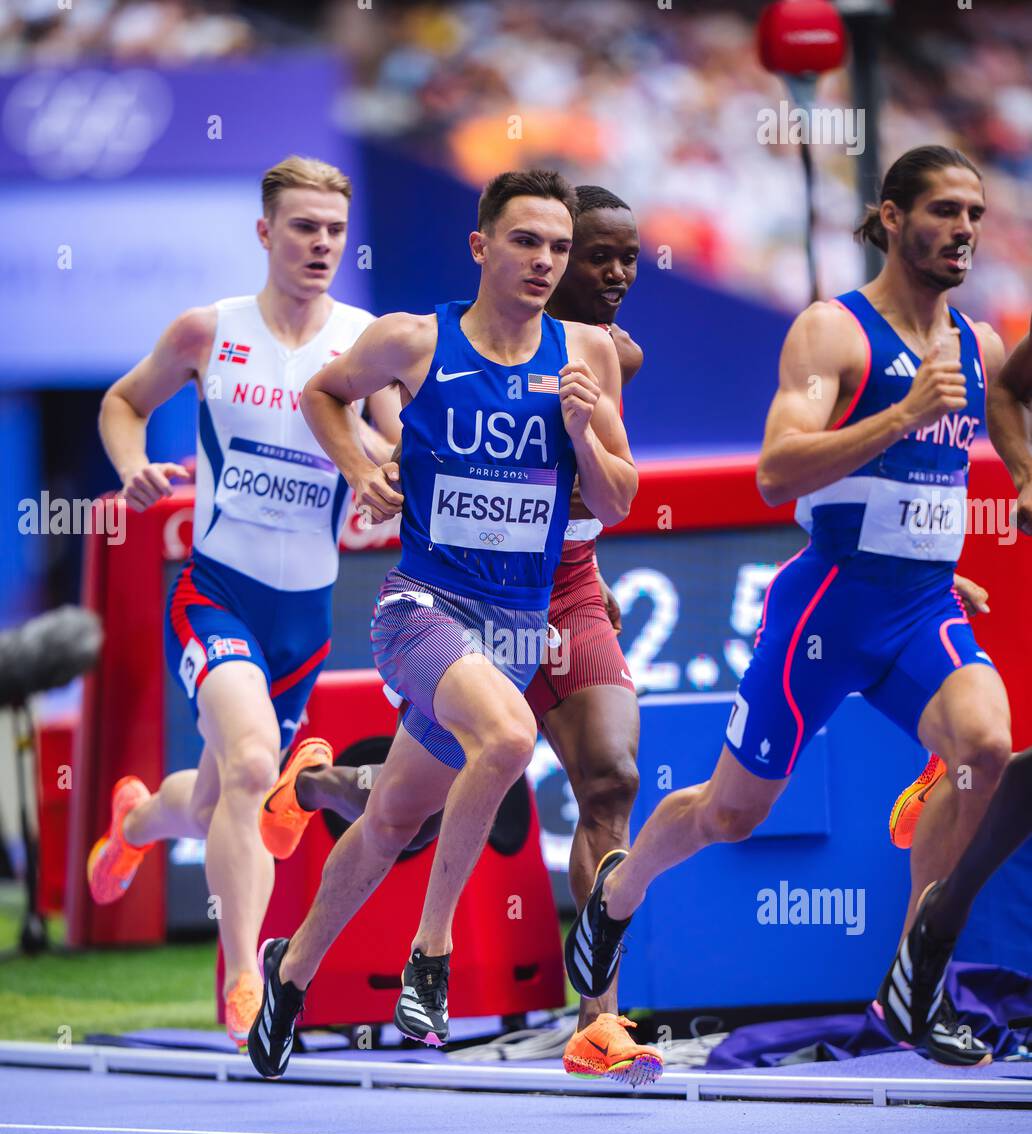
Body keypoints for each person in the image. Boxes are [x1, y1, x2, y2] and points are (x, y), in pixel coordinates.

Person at [567, 146, 1011, 1067]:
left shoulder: (983, 344)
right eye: (942, 212)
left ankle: (915, 983)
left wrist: (935, 554)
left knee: (987, 749)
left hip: (922, 601)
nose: (963, 230)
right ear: (891, 219)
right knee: (731, 815)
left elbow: (941, 476)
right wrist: (901, 411)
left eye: (974, 213)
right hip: (826, 611)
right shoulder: (832, 331)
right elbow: (775, 472)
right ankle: (616, 898)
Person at [260, 186, 662, 1084]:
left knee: (393, 820)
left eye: (558, 246)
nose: (547, 261)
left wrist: (580, 435)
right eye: (527, 242)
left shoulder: (591, 353)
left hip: (525, 622)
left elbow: (619, 499)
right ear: (479, 246)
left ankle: (287, 972)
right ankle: (429, 957)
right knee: (511, 739)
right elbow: (324, 393)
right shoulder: (415, 339)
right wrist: (364, 466)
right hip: (424, 609)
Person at [87, 155, 401, 1047]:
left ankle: (139, 819)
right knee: (260, 771)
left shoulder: (363, 339)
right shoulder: (207, 331)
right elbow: (122, 402)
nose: (321, 244)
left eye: (335, 230)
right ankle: (243, 975)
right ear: (265, 233)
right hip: (216, 593)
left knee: (222, 794)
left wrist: (388, 476)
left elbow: (389, 441)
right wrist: (132, 468)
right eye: (304, 227)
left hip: (305, 617)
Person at [875, 314, 1032, 1045]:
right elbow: (1010, 393)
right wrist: (1027, 475)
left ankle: (925, 947)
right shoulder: (837, 334)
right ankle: (927, 944)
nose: (964, 229)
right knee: (1010, 770)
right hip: (870, 598)